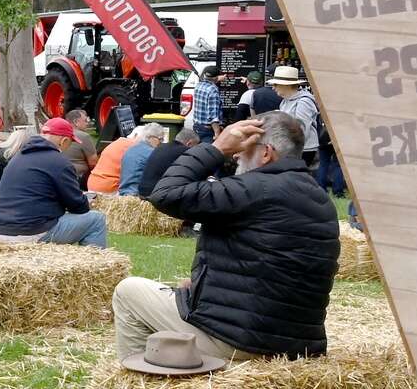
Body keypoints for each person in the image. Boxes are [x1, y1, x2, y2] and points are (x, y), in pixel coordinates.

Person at [113, 112, 338, 361]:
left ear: (266, 153)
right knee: (180, 291)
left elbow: (165, 194)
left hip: (240, 340)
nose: (237, 154)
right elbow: (267, 266)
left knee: (128, 291)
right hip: (297, 346)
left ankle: (142, 381)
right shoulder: (319, 199)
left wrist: (217, 148)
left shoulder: (254, 188)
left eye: (244, 147)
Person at [0, 117, 107, 246]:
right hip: (30, 231)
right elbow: (79, 206)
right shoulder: (59, 162)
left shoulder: (17, 157)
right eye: (71, 142)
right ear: (64, 141)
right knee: (96, 220)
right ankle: (92, 263)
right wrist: (85, 200)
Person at [270, 66, 319, 166]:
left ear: (287, 85)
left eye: (276, 84)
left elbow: (302, 130)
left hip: (302, 149)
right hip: (293, 148)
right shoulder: (285, 101)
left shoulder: (303, 102)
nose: (273, 87)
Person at [137, 127, 197, 198]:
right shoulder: (185, 151)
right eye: (196, 145)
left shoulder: (162, 147)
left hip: (142, 191)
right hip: (155, 194)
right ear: (189, 143)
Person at [117, 123, 165, 197]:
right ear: (151, 137)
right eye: (160, 139)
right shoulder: (152, 153)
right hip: (137, 196)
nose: (162, 142)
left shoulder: (131, 149)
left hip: (122, 192)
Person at [87, 129, 138, 194]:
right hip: (109, 188)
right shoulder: (133, 146)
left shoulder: (117, 142)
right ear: (136, 136)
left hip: (92, 183)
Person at [61, 108, 98, 184]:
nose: (87, 122)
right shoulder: (84, 136)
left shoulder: (59, 135)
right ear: (76, 122)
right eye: (85, 120)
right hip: (78, 177)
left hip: (61, 175)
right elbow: (93, 163)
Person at [190, 65, 222, 144]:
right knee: (208, 154)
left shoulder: (198, 86)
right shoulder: (213, 90)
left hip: (197, 126)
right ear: (216, 77)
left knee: (199, 152)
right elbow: (213, 116)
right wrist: (217, 133)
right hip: (207, 130)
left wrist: (217, 79)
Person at [315, 118, 346, 198]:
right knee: (338, 165)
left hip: (324, 138)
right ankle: (338, 191)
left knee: (323, 164)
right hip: (339, 137)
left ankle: (321, 189)